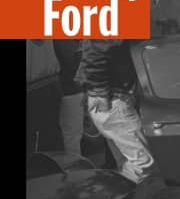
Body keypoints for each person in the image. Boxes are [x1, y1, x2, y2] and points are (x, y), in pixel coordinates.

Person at [82, 39, 155, 188]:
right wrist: (99, 93)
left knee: (126, 162)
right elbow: (93, 56)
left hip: (115, 100)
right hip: (114, 102)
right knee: (143, 163)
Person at [26, 40, 64, 155]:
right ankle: (51, 168)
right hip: (51, 83)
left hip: (33, 87)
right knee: (51, 135)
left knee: (32, 136)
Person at [54, 39, 85, 155]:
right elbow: (71, 60)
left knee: (72, 135)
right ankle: (74, 170)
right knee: (72, 136)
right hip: (69, 89)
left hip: (72, 88)